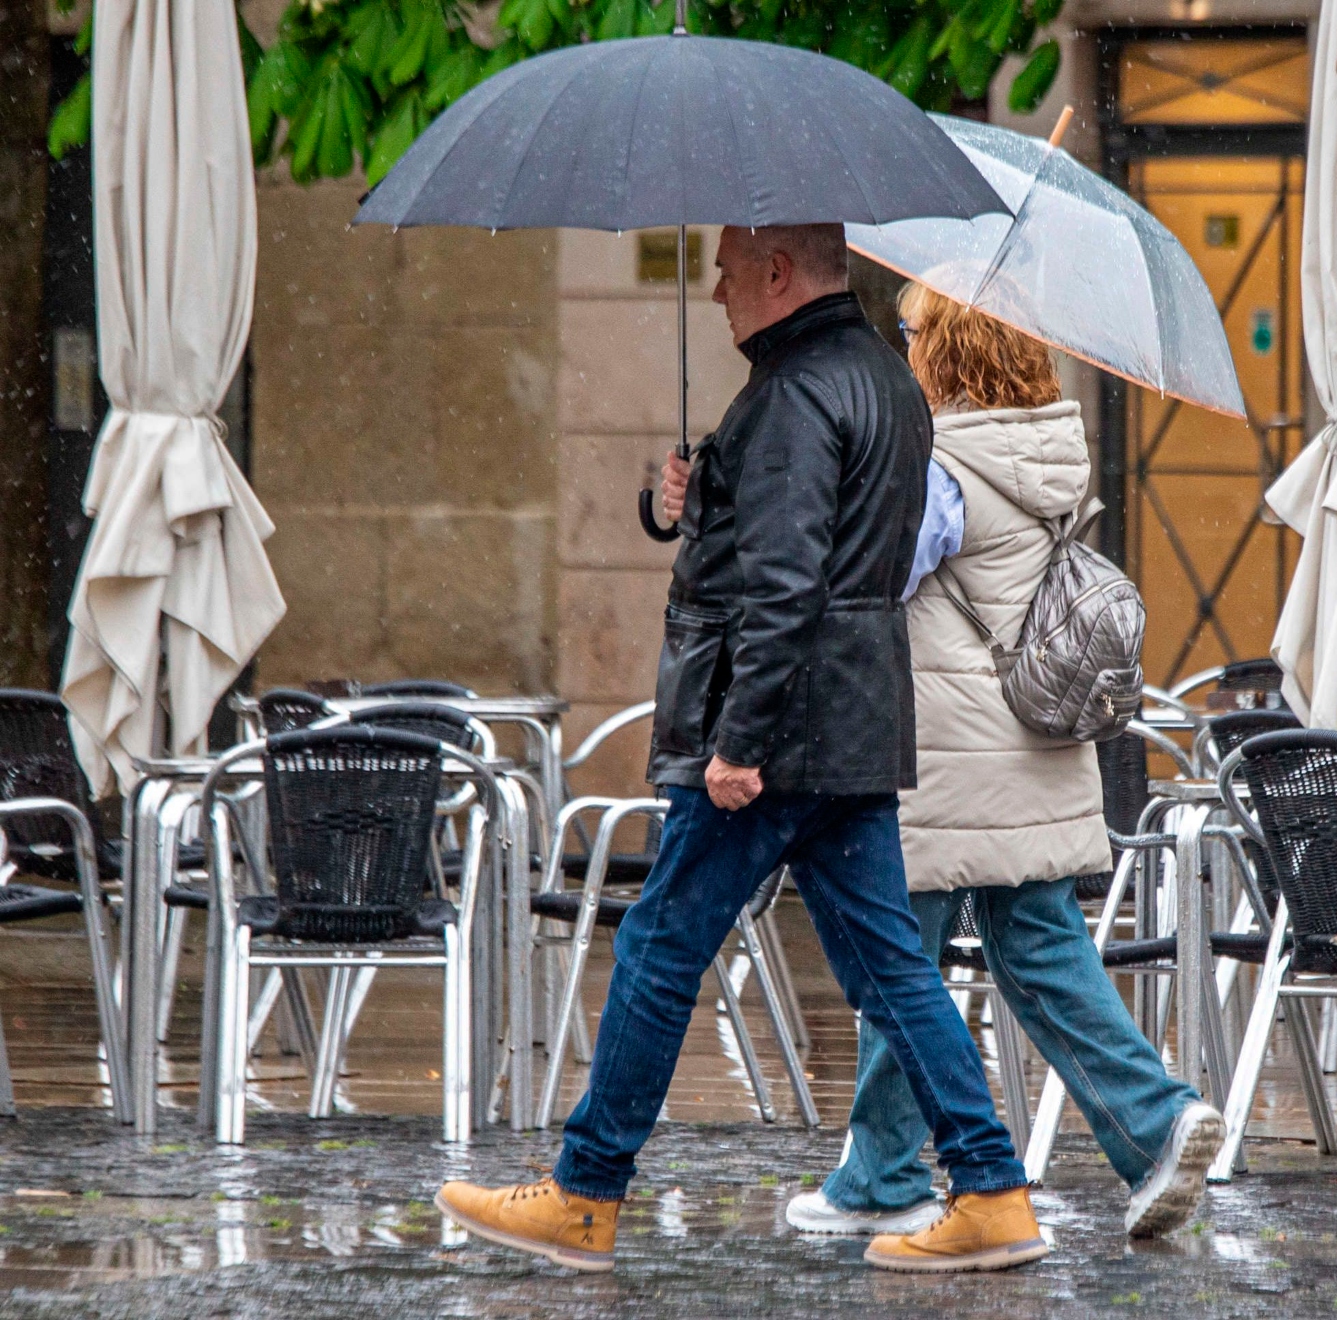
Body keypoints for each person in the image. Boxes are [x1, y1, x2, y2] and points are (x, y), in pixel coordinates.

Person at [435, 225, 1048, 1276]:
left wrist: (739, 740)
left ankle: (585, 1192)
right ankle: (991, 1189)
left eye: (728, 270)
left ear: (778, 273)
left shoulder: (791, 398)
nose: (715, 291)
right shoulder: (885, 381)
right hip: (854, 720)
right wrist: (679, 496)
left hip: (780, 737)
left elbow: (784, 584)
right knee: (893, 968)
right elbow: (844, 550)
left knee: (661, 945)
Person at [783, 283, 1225, 1244]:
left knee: (901, 962)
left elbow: (874, 581)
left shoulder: (942, 469)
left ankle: (882, 1173)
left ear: (942, 355)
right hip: (1035, 756)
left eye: (908, 334)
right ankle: (1158, 1124)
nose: (898, 349)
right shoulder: (1048, 456)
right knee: (1043, 952)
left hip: (944, 764)